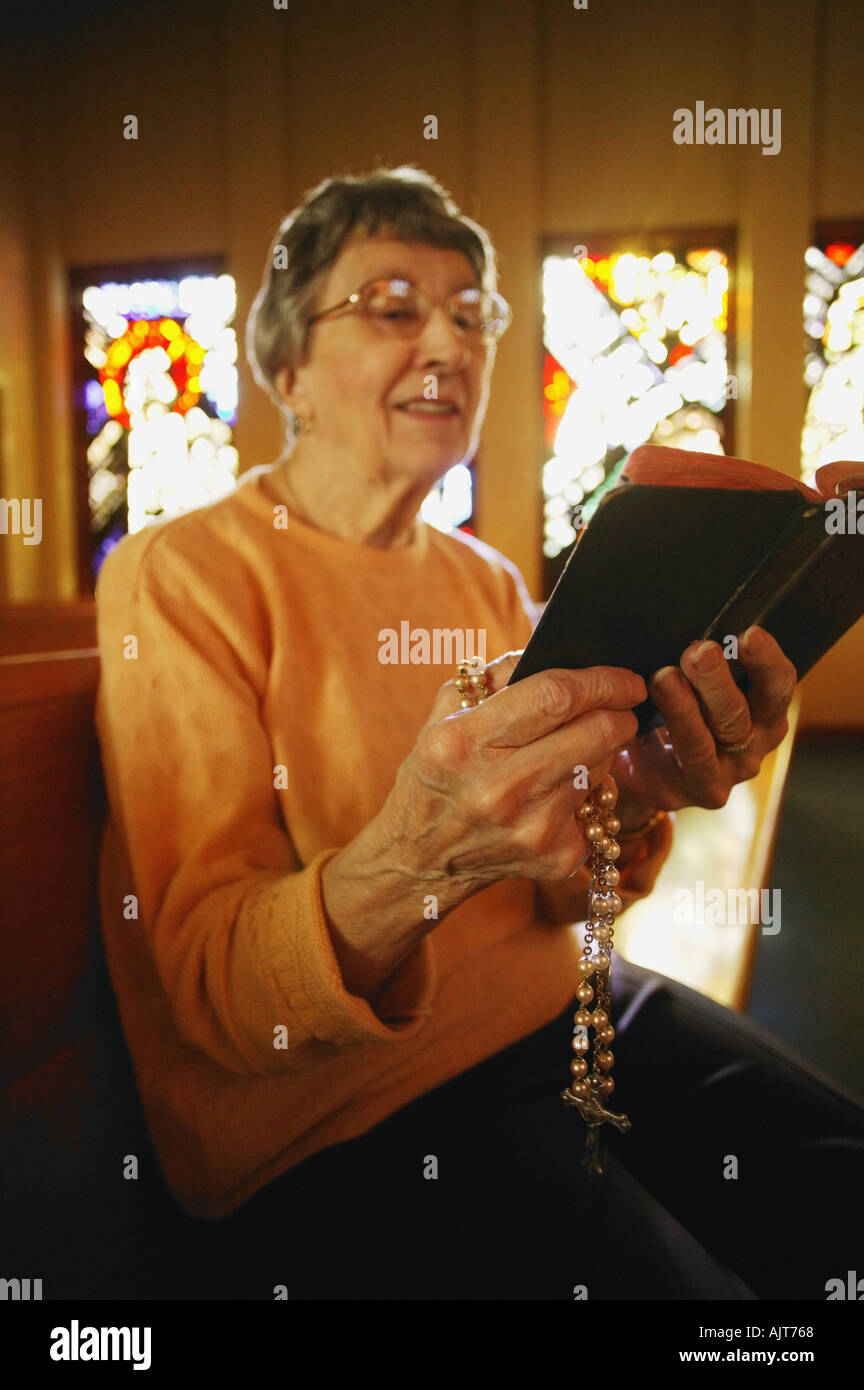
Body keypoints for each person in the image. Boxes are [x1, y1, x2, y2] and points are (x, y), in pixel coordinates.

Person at [94, 165, 864, 1301]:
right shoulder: (185, 573)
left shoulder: (491, 580)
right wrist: (416, 856)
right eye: (395, 305)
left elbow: (563, 891)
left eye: (471, 312)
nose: (447, 340)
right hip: (341, 1113)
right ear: (288, 365)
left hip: (570, 1016)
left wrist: (640, 790)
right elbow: (217, 990)